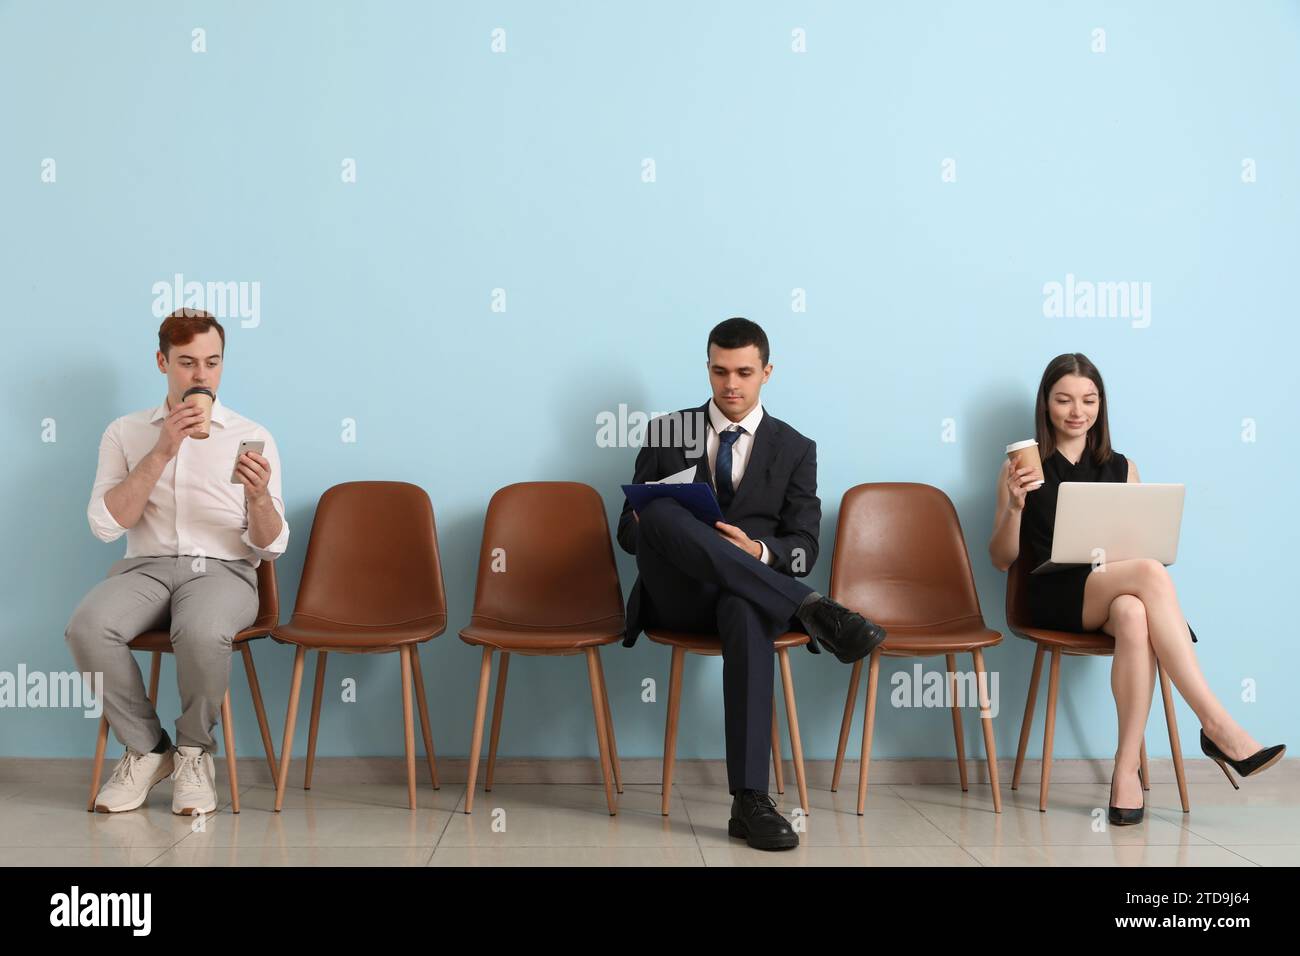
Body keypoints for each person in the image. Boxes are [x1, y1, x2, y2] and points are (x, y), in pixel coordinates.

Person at [617, 317, 887, 850]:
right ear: (708, 369)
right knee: (667, 512)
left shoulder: (796, 447)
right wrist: (653, 519)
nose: (730, 385)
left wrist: (759, 552)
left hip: (748, 595)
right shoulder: (669, 431)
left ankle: (750, 800)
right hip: (679, 596)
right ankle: (815, 611)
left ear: (767, 371)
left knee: (744, 605)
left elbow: (804, 546)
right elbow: (627, 533)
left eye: (744, 372)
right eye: (719, 372)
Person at [988, 352, 1285, 825]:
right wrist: (1014, 506)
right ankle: (1216, 725)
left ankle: (1124, 772)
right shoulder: (1025, 467)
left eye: (1088, 400)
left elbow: (1144, 546)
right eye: (1063, 399)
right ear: (1046, 405)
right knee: (1147, 573)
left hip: (1113, 590)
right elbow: (1002, 558)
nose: (1076, 411)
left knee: (1132, 611)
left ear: (1101, 405)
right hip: (1052, 595)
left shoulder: (1123, 467)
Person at [65, 308, 289, 815]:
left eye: (212, 362)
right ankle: (149, 749)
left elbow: (272, 546)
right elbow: (105, 525)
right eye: (187, 363)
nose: (201, 376)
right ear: (162, 361)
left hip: (223, 569)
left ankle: (194, 752)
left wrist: (257, 499)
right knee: (87, 628)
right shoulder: (124, 433)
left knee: (204, 629)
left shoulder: (249, 434)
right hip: (145, 567)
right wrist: (162, 450)